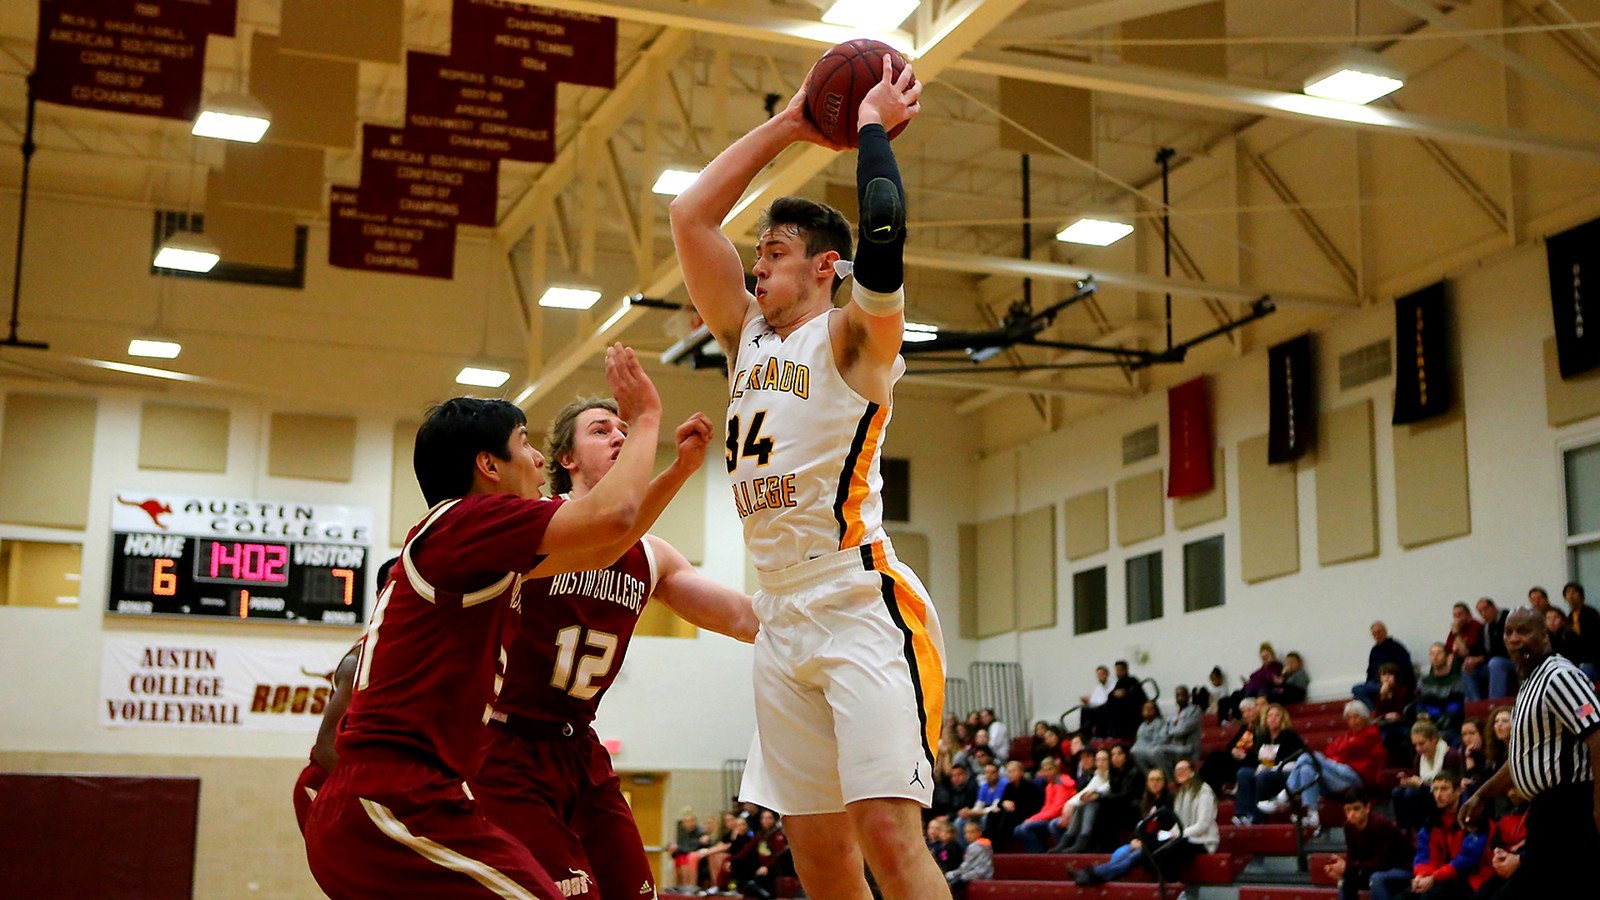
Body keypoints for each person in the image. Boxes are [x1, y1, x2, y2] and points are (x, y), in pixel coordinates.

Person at [670, 50, 945, 900]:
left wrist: (866, 132)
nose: (757, 264)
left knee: (890, 841)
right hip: (781, 612)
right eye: (757, 250)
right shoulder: (745, 334)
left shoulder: (856, 340)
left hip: (859, 600)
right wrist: (794, 121)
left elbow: (887, 230)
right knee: (820, 859)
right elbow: (689, 215)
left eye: (777, 250)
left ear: (826, 267)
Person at [303, 348, 703, 899]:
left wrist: (677, 470)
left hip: (426, 797)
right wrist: (647, 421)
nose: (539, 460)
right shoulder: (467, 520)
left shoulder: (478, 544)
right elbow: (610, 517)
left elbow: (605, 544)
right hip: (393, 799)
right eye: (524, 445)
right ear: (488, 466)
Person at [472, 396, 758, 900]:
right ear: (567, 459)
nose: (619, 437)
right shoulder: (532, 520)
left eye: (625, 429)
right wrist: (678, 471)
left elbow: (740, 617)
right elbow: (603, 531)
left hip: (580, 749)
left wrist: (828, 602)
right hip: (507, 745)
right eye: (601, 430)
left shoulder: (652, 554)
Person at [1460, 607, 1600, 895]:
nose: (1514, 639)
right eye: (1509, 632)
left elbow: (1598, 736)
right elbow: (1522, 759)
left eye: (1523, 631)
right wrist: (1481, 795)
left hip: (1570, 807)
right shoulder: (1530, 682)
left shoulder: (1559, 676)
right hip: (1546, 811)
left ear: (1545, 636)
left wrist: (1599, 805)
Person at [292, 556, 398, 836]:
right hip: (326, 786)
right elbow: (326, 747)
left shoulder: (409, 651)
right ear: (380, 595)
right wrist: (385, 796)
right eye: (395, 586)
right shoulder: (359, 661)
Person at [1258, 700, 1385, 834]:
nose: (1353, 721)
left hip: (1356, 778)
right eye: (1349, 718)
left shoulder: (1371, 733)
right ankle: (1313, 816)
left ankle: (1284, 797)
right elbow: (1331, 751)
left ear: (1364, 717)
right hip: (1337, 776)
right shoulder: (1346, 737)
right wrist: (1335, 759)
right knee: (1307, 769)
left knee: (1308, 756)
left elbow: (1349, 751)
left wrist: (1335, 759)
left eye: (1356, 717)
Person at [1371, 774, 1489, 900]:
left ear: (1458, 791)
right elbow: (1424, 854)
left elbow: (1467, 860)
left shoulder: (1474, 819)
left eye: (1444, 789)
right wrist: (1422, 875)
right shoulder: (1433, 821)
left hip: (1469, 878)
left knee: (1428, 897)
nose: (1438, 794)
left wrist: (1434, 878)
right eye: (1435, 789)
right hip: (1438, 876)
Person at [1063, 767, 1177, 886]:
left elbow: (1165, 827)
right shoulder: (1145, 802)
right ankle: (1091, 876)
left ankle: (1090, 874)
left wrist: (1143, 843)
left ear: (1164, 782)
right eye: (1152, 780)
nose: (1155, 783)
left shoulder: (1168, 802)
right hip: (1142, 842)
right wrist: (1134, 839)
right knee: (1120, 853)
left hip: (1157, 844)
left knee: (1131, 858)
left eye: (1158, 779)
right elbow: (1139, 826)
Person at [1325, 791, 1412, 900]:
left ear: (1367, 808)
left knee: (1376, 879)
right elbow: (1353, 858)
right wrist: (1343, 870)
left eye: (1356, 808)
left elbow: (1383, 863)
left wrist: (1348, 868)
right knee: (1347, 880)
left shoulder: (1381, 825)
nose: (1351, 814)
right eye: (1347, 809)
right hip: (1374, 871)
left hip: (1403, 870)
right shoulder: (1349, 827)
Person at [1235, 703, 1307, 826]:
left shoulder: (1290, 736)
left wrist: (1270, 768)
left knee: (1264, 776)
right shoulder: (1262, 736)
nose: (1273, 718)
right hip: (1266, 770)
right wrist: (1259, 766)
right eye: (1270, 716)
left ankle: (1258, 818)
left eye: (1276, 716)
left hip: (1284, 772)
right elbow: (1258, 758)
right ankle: (1243, 814)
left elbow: (1301, 756)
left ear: (1282, 719)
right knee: (1243, 773)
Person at [1394, 721, 1465, 831]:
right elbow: (1417, 777)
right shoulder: (1419, 757)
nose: (1418, 749)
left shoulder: (1450, 755)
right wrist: (1409, 781)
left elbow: (1451, 785)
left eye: (1422, 744)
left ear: (1433, 739)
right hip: (1425, 790)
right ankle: (1404, 830)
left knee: (1411, 794)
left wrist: (1422, 784)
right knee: (1397, 792)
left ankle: (1421, 830)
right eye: (1415, 745)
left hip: (1442, 794)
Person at [1049, 749, 1110, 853]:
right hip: (1095, 806)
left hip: (1110, 807)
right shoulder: (1098, 775)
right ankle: (1067, 840)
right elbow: (1085, 793)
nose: (1100, 763)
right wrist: (1069, 804)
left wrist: (1088, 797)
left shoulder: (1113, 775)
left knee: (1089, 802)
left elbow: (1104, 789)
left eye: (1104, 760)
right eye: (1098, 760)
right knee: (1081, 803)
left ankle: (1082, 841)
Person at [1012, 757, 1075, 853]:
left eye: (1050, 769)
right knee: (1018, 829)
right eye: (1045, 770)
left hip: (1061, 817)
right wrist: (1035, 818)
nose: (1048, 773)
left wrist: (1033, 819)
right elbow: (1047, 807)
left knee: (1025, 828)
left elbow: (1057, 810)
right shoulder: (1049, 786)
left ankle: (1041, 854)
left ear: (1056, 769)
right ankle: (1038, 853)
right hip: (1049, 817)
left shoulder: (1063, 784)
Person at [1200, 695, 1260, 792]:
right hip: (1236, 757)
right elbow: (1231, 744)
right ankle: (1203, 786)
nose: (1246, 715)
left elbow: (1258, 751)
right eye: (1243, 712)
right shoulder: (1245, 728)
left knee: (1220, 763)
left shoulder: (1261, 729)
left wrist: (1244, 755)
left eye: (1249, 711)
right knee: (1214, 757)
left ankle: (1213, 789)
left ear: (1257, 711)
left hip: (1247, 760)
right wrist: (1233, 750)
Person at [1354, 622, 1417, 711]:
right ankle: (1373, 712)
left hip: (1394, 683)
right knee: (1356, 689)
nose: (1377, 635)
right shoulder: (1374, 650)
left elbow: (1406, 669)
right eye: (1374, 634)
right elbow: (1370, 670)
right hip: (1376, 683)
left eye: (1379, 632)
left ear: (1385, 631)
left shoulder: (1396, 647)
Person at [1467, 598, 1516, 701]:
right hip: (1491, 664)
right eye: (1480, 611)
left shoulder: (1509, 620)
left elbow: (1503, 649)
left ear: (1494, 607)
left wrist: (1481, 658)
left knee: (1495, 663)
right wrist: (1471, 660)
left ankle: (1494, 703)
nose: (1484, 613)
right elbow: (1478, 649)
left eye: (1485, 609)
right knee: (1466, 669)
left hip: (1512, 662)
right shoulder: (1485, 628)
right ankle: (1476, 706)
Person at [1417, 642, 1466, 737]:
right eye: (1432, 654)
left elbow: (1454, 707)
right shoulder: (1424, 681)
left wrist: (1438, 723)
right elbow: (1421, 703)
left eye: (1439, 653)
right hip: (1429, 725)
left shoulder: (1456, 680)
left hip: (1451, 725)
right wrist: (1423, 714)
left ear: (1448, 657)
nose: (1435, 657)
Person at [944, 820, 993, 898]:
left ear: (979, 833)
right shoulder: (985, 843)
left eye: (972, 832)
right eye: (966, 832)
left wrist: (953, 874)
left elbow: (967, 866)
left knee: (953, 885)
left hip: (979, 873)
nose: (968, 835)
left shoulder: (974, 846)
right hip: (983, 873)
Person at [668, 809, 711, 893]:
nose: (689, 823)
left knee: (686, 858)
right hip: (684, 853)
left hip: (697, 856)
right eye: (686, 821)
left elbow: (692, 846)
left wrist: (678, 848)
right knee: (678, 858)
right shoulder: (682, 831)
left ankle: (689, 886)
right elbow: (682, 845)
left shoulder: (700, 832)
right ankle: (679, 886)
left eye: (691, 821)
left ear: (695, 821)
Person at [1564, 581, 1600, 676]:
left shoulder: (1591, 613)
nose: (1571, 596)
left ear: (1580, 595)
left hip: (1591, 657)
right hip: (1577, 659)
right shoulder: (1569, 617)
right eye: (1568, 593)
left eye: (1574, 592)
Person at [1107, 661, 1149, 741]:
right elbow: (1111, 695)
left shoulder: (1132, 680)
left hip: (1132, 708)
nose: (1118, 673)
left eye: (1120, 670)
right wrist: (1115, 694)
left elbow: (1138, 696)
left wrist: (1125, 693)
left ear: (1125, 670)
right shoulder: (1119, 683)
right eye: (1117, 671)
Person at [1130, 700, 1172, 775]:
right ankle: (1148, 776)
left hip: (1155, 750)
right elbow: (1139, 741)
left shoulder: (1160, 722)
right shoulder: (1142, 726)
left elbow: (1162, 739)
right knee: (1134, 751)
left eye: (1150, 709)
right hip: (1142, 752)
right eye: (1146, 708)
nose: (1148, 711)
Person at [1079, 665, 1113, 738]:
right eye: (1098, 675)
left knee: (1092, 712)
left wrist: (1090, 700)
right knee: (1085, 709)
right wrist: (1088, 701)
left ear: (1107, 674)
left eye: (1102, 674)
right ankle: (1085, 735)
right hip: (1099, 709)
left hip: (1109, 709)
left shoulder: (1113, 684)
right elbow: (1095, 700)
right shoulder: (1099, 687)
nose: (1100, 677)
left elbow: (1105, 700)